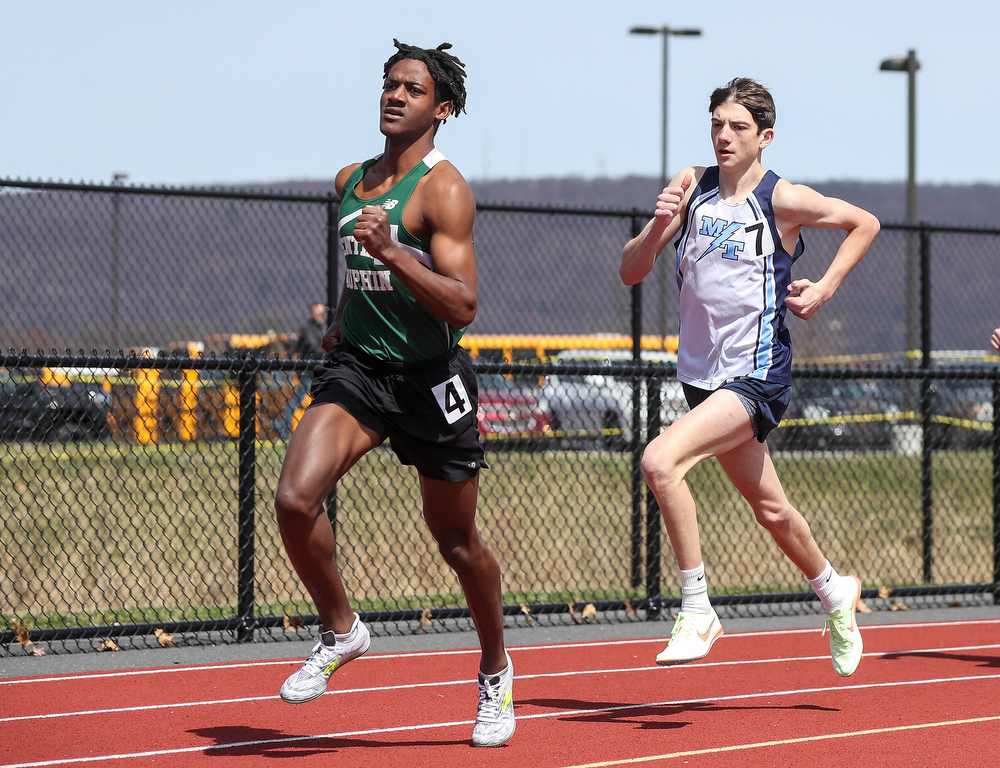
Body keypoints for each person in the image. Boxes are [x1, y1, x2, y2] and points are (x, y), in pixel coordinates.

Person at [273, 40, 514, 748]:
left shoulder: (444, 189)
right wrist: (345, 318)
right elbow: (357, 269)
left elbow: (464, 306)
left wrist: (395, 254)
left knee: (457, 542)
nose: (394, 95)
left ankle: (496, 670)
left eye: (411, 89)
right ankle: (342, 628)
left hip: (431, 381)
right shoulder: (351, 179)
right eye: (389, 84)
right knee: (294, 499)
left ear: (440, 109)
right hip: (360, 373)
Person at [619, 77, 880, 677]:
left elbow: (863, 223)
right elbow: (632, 272)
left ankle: (697, 608)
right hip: (701, 378)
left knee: (661, 461)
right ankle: (837, 591)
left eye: (738, 127)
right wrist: (661, 225)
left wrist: (825, 288)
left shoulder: (781, 198)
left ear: (764, 137)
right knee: (771, 509)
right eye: (716, 124)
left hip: (757, 374)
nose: (723, 136)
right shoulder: (692, 188)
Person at [277, 302, 327, 440]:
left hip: (316, 372)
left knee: (307, 402)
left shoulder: (320, 329)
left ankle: (285, 431)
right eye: (320, 313)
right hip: (307, 372)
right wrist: (329, 351)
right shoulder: (308, 329)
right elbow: (315, 348)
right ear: (313, 313)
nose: (322, 316)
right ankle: (283, 432)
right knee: (297, 402)